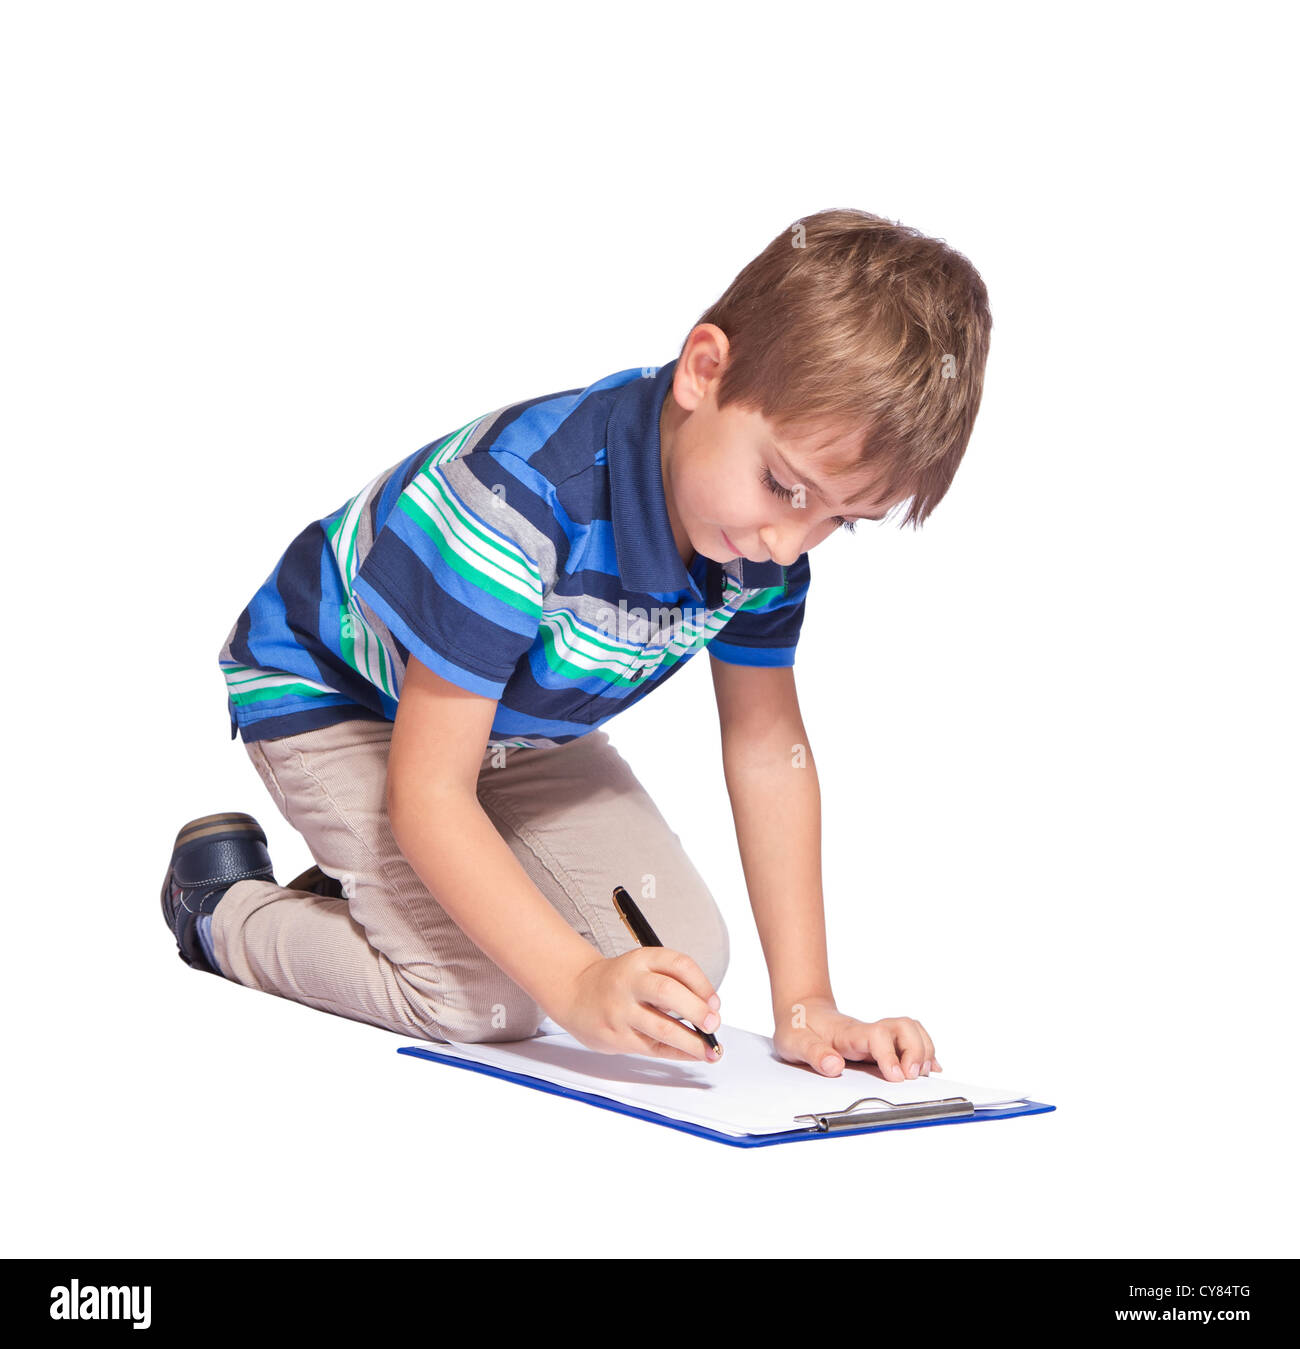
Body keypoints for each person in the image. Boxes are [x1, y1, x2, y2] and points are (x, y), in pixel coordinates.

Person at [161, 208, 990, 1080]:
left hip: (516, 726)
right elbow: (430, 788)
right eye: (784, 485)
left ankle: (371, 890)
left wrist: (805, 1002)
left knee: (683, 961)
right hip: (338, 700)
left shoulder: (759, 544)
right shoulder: (518, 505)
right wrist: (575, 979)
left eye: (838, 521)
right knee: (485, 999)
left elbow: (765, 747)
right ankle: (224, 910)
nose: (791, 543)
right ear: (706, 370)